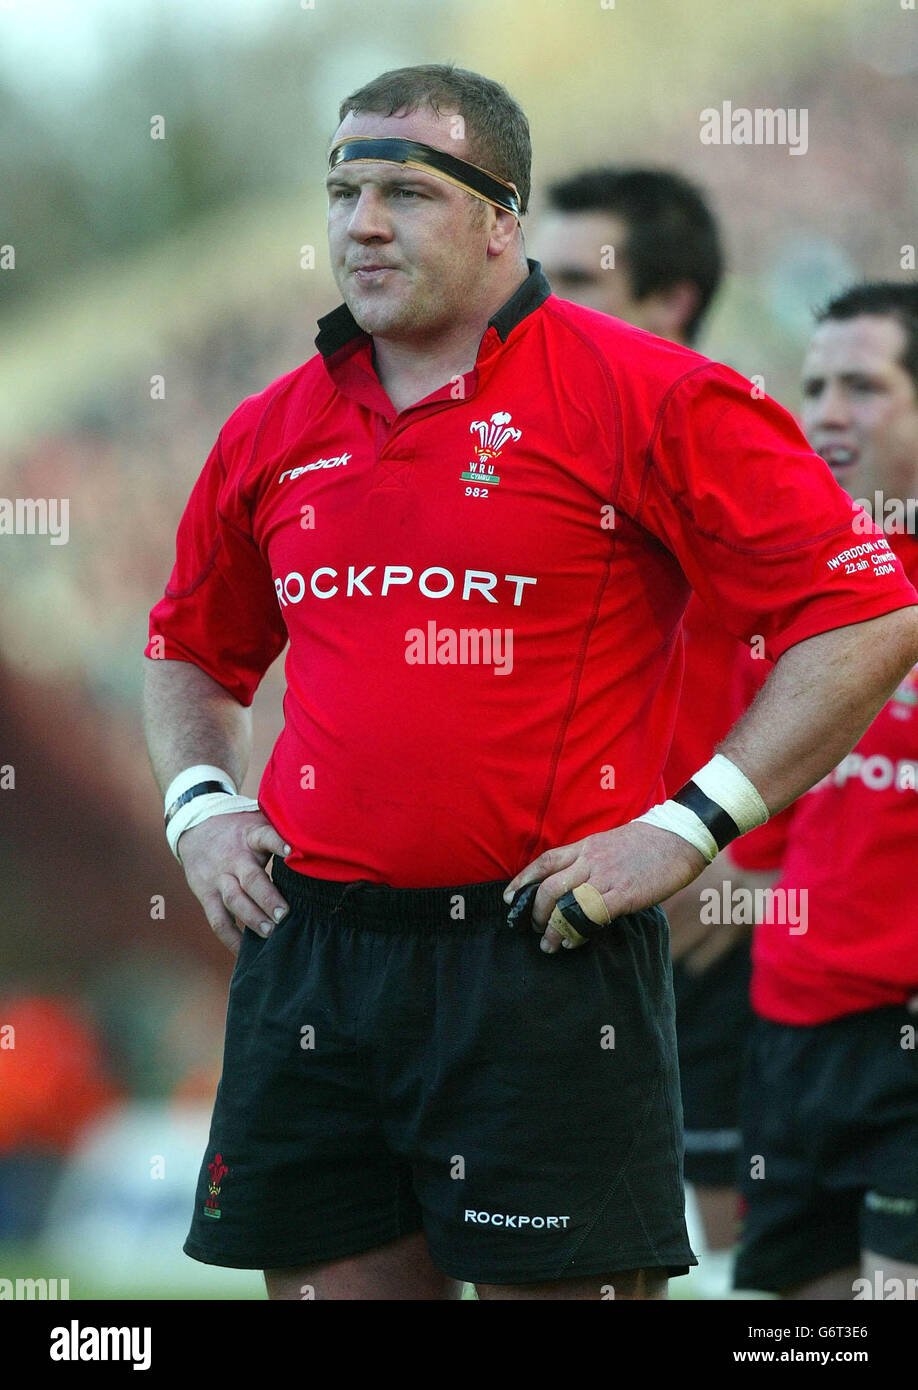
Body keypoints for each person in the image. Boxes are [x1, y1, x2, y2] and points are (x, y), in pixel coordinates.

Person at [143, 65, 918, 1301]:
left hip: (543, 953)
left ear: (504, 218)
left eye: (406, 189)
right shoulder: (271, 427)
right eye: (344, 191)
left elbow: (865, 608)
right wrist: (198, 800)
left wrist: (689, 826)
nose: (364, 222)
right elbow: (189, 644)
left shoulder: (650, 393)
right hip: (315, 959)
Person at [538, 167, 785, 1288]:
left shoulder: (734, 444)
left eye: (582, 275)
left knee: (751, 1250)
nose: (546, 300)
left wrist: (749, 867)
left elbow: (857, 655)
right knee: (580, 1243)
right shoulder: (541, 442)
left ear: (674, 297)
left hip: (725, 916)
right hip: (576, 899)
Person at [734, 282, 918, 1300]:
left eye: (865, 385)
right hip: (793, 1034)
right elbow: (757, 844)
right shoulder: (797, 589)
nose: (828, 413)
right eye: (815, 387)